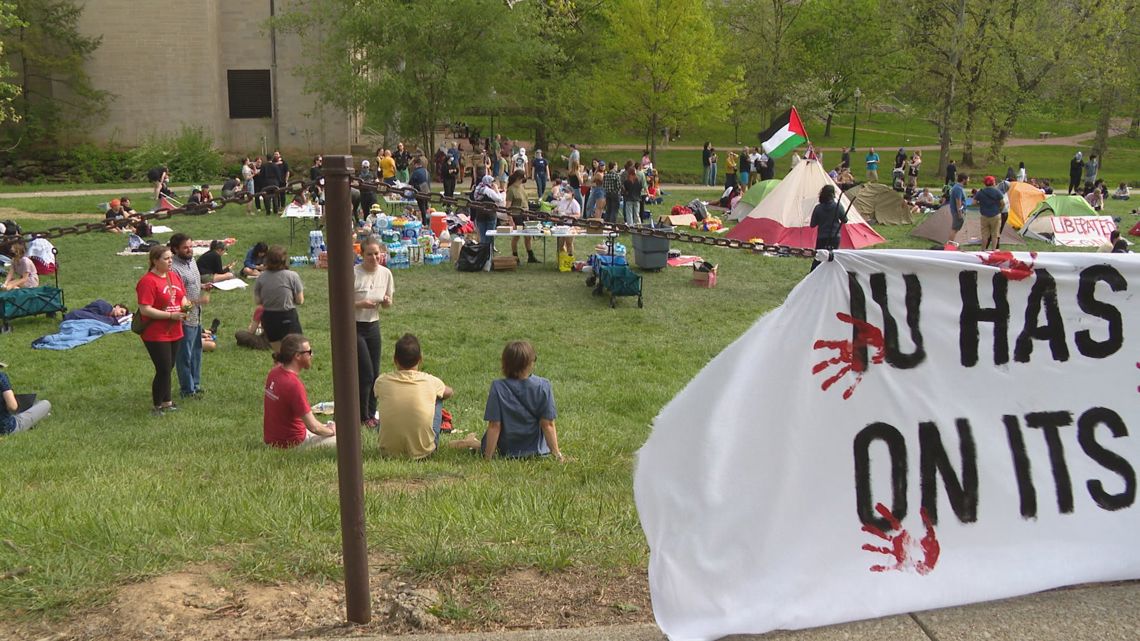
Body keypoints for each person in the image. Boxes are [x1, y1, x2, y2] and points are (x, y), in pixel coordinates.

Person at [375, 333, 455, 459]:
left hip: (388, 453)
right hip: (424, 452)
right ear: (420, 359)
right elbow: (449, 392)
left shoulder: (381, 381)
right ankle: (427, 442)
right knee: (438, 398)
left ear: (395, 359)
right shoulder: (430, 381)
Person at [481, 340, 563, 461]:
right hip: (537, 450)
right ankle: (469, 442)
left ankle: (468, 442)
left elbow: (495, 426)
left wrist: (488, 457)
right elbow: (548, 424)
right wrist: (557, 455)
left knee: (476, 444)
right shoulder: (543, 386)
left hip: (506, 450)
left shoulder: (498, 387)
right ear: (530, 362)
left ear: (505, 363)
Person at [136, 244, 188, 416]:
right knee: (163, 368)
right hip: (156, 333)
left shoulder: (173, 276)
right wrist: (170, 316)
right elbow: (145, 309)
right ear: (154, 261)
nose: (170, 261)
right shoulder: (147, 281)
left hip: (175, 330)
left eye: (171, 258)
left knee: (169, 367)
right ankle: (157, 406)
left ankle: (167, 402)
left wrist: (186, 306)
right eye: (166, 259)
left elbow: (182, 297)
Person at [263, 334, 336, 449]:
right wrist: (332, 431)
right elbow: (314, 427)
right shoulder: (293, 385)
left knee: (329, 427)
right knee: (345, 437)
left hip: (272, 440)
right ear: (297, 356)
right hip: (293, 443)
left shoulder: (274, 373)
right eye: (309, 352)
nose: (312, 355)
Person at [354, 236, 394, 428]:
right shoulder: (353, 273)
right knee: (366, 373)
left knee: (375, 373)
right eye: (369, 254)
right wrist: (360, 303)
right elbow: (340, 303)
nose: (374, 258)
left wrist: (386, 302)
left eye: (377, 254)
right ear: (361, 254)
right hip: (355, 326)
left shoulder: (386, 274)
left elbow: (388, 305)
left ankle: (371, 413)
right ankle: (362, 416)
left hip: (373, 326)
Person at [169, 233, 210, 399]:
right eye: (185, 248)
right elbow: (176, 298)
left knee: (196, 352)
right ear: (175, 249)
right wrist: (198, 300)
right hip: (184, 318)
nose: (189, 250)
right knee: (184, 355)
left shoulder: (192, 261)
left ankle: (196, 383)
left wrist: (202, 285)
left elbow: (192, 282)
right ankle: (187, 389)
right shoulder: (173, 269)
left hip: (196, 315)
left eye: (191, 247)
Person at [253, 245, 304, 353]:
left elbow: (258, 301)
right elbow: (300, 300)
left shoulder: (261, 277)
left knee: (279, 353)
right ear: (284, 260)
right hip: (288, 316)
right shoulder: (292, 276)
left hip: (269, 318)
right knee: (296, 352)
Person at [0, 368, 51, 435]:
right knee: (46, 404)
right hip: (5, 428)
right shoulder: (1, 378)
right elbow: (12, 407)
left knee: (34, 403)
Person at [809, 185, 847, 272]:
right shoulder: (838, 206)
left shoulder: (818, 208)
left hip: (822, 236)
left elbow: (812, 224)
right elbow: (844, 220)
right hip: (835, 236)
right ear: (833, 194)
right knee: (833, 257)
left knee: (818, 257)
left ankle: (813, 273)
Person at [505, 169, 537, 264]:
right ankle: (515, 256)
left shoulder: (522, 187)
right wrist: (511, 221)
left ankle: (531, 256)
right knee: (516, 237)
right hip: (516, 216)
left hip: (525, 214)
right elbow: (508, 207)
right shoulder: (511, 189)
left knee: (528, 236)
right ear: (519, 178)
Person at [472, 174, 505, 243]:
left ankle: (483, 251)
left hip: (479, 215)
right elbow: (499, 199)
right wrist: (496, 190)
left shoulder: (478, 188)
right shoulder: (488, 190)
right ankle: (489, 251)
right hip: (490, 215)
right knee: (490, 236)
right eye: (492, 182)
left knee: (482, 236)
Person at [975, 176, 1004, 250]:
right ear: (993, 182)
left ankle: (983, 250)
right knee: (995, 234)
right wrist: (1000, 210)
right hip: (995, 215)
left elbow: (974, 202)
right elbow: (1002, 203)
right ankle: (993, 250)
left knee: (985, 235)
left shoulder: (981, 192)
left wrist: (981, 204)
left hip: (984, 215)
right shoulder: (997, 191)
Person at [555, 184, 582, 256]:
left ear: (572, 193)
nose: (565, 193)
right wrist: (556, 210)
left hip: (570, 225)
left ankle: (570, 257)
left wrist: (568, 216)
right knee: (560, 243)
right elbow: (558, 208)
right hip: (561, 224)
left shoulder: (575, 203)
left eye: (567, 192)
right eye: (564, 191)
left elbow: (578, 215)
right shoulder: (562, 200)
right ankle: (561, 258)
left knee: (569, 243)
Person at [947, 173, 969, 248]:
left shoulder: (958, 187)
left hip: (959, 211)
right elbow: (958, 201)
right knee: (955, 228)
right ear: (963, 180)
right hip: (957, 212)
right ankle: (950, 245)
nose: (968, 181)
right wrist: (960, 213)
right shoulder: (958, 188)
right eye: (967, 179)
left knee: (956, 228)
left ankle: (952, 243)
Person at [409, 157, 431, 223]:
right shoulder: (426, 171)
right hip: (427, 191)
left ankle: (424, 221)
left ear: (416, 164)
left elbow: (410, 183)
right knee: (426, 206)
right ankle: (428, 220)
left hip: (419, 191)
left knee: (422, 207)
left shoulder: (416, 172)